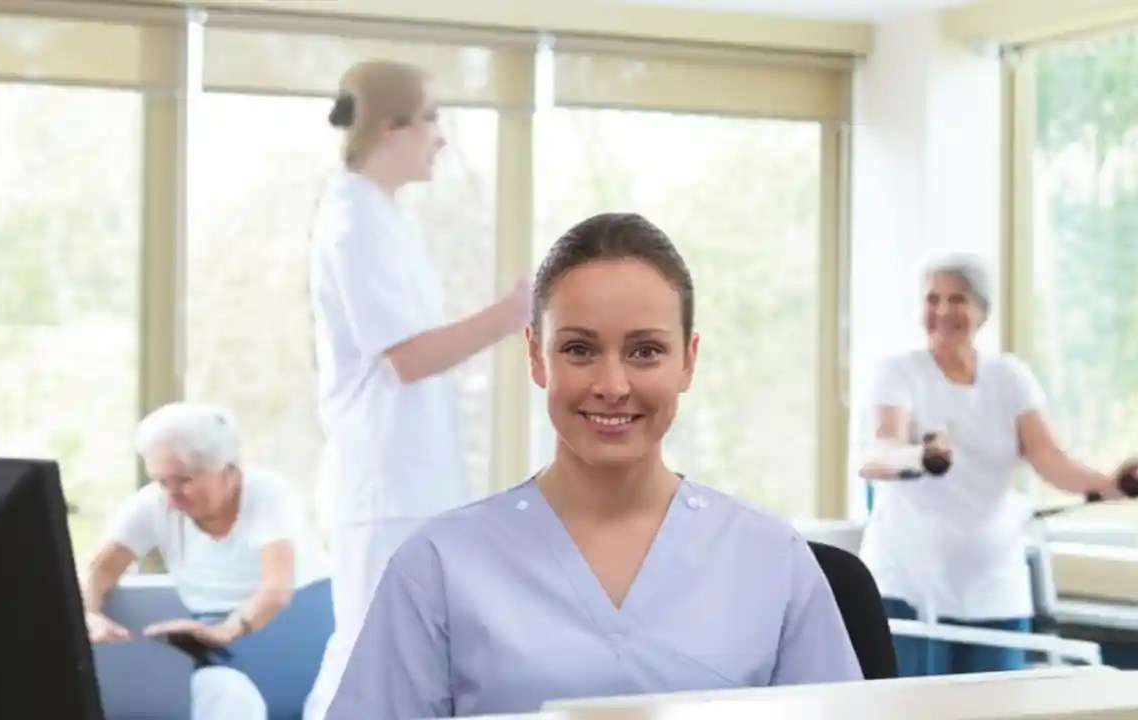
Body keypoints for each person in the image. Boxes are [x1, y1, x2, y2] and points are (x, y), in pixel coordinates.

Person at [326, 212, 863, 718]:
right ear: (537, 357)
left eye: (646, 351)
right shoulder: (440, 566)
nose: (611, 386)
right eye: (580, 350)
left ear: (688, 361)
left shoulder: (771, 559)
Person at [304, 60, 531, 719]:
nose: (442, 136)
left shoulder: (381, 216)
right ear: (391, 125)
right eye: (433, 116)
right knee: (373, 666)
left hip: (407, 485)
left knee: (399, 665)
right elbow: (406, 357)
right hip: (385, 487)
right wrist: (511, 314)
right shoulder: (355, 219)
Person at [857, 254, 1138, 676]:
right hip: (909, 584)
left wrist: (1111, 484)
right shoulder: (899, 372)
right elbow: (880, 451)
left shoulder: (1009, 377)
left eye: (956, 299)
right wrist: (921, 455)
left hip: (994, 587)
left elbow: (1049, 459)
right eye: (932, 299)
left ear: (981, 310)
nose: (942, 311)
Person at [81, 402, 325, 719]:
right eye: (161, 481)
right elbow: (98, 571)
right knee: (223, 698)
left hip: (298, 623)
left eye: (184, 480)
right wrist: (89, 615)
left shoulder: (267, 493)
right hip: (218, 641)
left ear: (229, 471)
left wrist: (226, 630)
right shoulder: (153, 503)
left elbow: (277, 590)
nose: (171, 496)